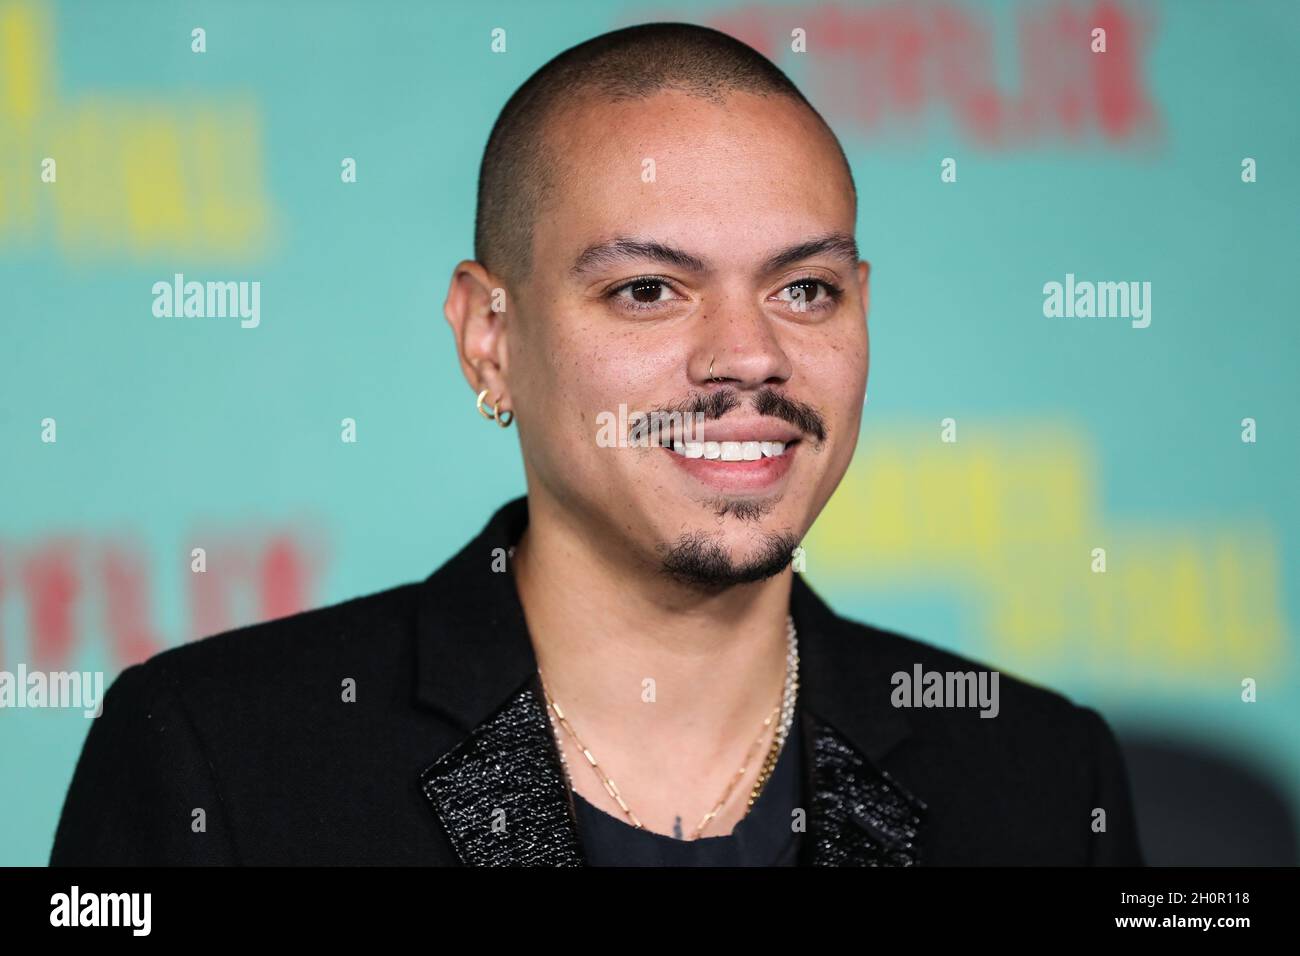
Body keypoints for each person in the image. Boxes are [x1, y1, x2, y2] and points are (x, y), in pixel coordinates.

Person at [50, 22, 1143, 866]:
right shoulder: (223, 754)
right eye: (649, 290)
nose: (746, 357)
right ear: (491, 337)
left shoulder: (1039, 773)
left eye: (803, 288)